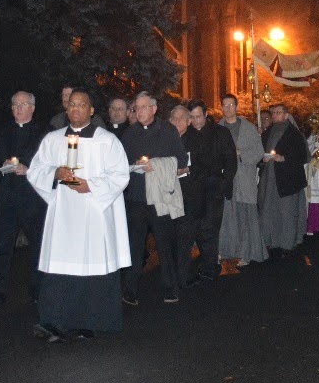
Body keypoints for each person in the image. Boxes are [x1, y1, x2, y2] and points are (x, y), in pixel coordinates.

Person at [26, 88, 131, 342]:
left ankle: (90, 322)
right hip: (63, 214)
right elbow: (35, 169)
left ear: (91, 110)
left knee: (92, 262)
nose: (75, 109)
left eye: (82, 105)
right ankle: (54, 322)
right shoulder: (52, 139)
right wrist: (54, 173)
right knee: (61, 264)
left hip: (94, 212)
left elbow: (120, 175)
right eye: (72, 104)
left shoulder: (106, 141)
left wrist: (91, 186)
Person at [119, 92, 185, 305]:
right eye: (136, 108)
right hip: (136, 197)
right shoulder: (129, 134)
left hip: (159, 198)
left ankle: (170, 287)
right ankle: (130, 289)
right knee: (134, 246)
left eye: (143, 107)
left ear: (154, 109)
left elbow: (181, 160)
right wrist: (134, 165)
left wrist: (155, 165)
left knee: (165, 245)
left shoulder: (167, 131)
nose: (139, 111)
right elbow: (120, 163)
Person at [0, 91, 47, 307]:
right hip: (7, 197)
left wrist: (27, 169)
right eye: (15, 104)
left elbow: (47, 163)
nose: (18, 108)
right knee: (2, 246)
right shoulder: (1, 132)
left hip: (33, 199)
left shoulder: (44, 133)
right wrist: (3, 164)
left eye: (23, 104)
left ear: (32, 107)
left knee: (37, 246)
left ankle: (39, 290)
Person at [175, 100, 235, 282]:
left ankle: (211, 266)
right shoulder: (187, 135)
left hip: (214, 187)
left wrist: (225, 182)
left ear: (206, 114)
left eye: (198, 116)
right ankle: (206, 262)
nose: (195, 121)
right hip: (192, 189)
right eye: (191, 117)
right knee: (198, 229)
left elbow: (230, 160)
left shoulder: (220, 133)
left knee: (210, 227)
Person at [218, 93, 267, 275]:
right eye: (225, 105)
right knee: (227, 215)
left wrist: (240, 154)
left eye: (231, 105)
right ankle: (227, 250)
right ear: (221, 108)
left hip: (244, 177)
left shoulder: (248, 128)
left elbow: (259, 152)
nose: (228, 108)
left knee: (245, 216)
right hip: (226, 178)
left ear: (236, 107)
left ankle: (247, 252)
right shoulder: (217, 128)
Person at [258, 103, 309, 254]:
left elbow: (303, 156)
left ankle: (287, 243)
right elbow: (259, 151)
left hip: (288, 179)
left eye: (278, 113)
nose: (274, 115)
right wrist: (263, 159)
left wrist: (284, 158)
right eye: (273, 113)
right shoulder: (267, 133)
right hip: (270, 179)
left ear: (286, 115)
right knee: (269, 209)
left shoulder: (294, 134)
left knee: (286, 211)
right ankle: (269, 240)